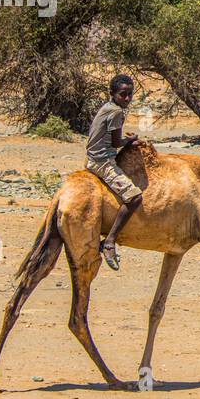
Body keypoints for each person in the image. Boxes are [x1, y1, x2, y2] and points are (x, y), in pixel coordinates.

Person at [84, 74, 142, 271]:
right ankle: (110, 241)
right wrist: (132, 139)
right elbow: (117, 143)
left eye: (130, 95)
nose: (127, 98)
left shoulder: (107, 107)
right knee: (134, 197)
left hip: (92, 157)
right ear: (113, 94)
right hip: (102, 162)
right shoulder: (116, 112)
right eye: (123, 94)